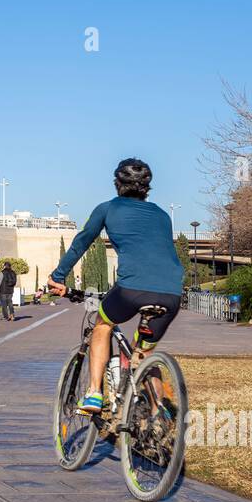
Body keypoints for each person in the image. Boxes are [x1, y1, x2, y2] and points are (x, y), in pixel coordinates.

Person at [45, 159, 184, 414]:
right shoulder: (163, 215)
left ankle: (95, 394)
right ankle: (158, 412)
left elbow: (81, 242)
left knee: (102, 325)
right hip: (172, 294)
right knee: (142, 351)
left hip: (132, 290)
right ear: (147, 188)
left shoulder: (107, 208)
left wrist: (58, 276)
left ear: (116, 184)